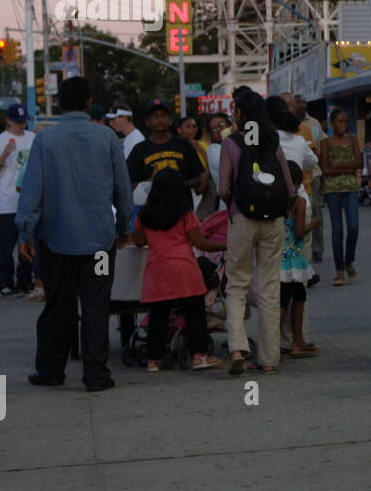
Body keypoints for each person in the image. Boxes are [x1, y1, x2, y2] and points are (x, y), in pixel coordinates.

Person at [17, 77, 133, 392]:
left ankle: (51, 371)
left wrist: (25, 232)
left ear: (61, 103)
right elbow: (122, 188)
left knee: (57, 305)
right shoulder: (107, 138)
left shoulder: (45, 139)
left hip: (56, 241)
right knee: (96, 305)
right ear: (87, 102)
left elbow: (32, 190)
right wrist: (124, 227)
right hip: (98, 243)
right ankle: (96, 375)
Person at [218, 90, 295, 375]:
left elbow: (223, 189)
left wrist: (234, 205)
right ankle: (269, 359)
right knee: (269, 287)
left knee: (236, 284)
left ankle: (237, 348)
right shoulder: (273, 141)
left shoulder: (230, 143)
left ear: (238, 113)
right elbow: (289, 189)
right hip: (273, 221)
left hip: (242, 219)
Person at [131, 168, 226, 371]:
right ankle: (199, 355)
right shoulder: (186, 214)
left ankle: (153, 359)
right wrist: (226, 245)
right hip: (184, 268)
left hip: (158, 269)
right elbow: (200, 243)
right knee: (195, 313)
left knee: (158, 315)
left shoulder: (145, 215)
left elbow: (139, 242)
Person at [268, 96, 320, 291]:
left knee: (276, 268)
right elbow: (313, 161)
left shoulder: (267, 142)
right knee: (300, 270)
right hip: (300, 204)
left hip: (275, 207)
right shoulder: (299, 140)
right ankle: (299, 315)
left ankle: (278, 316)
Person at [0, 102, 36, 297]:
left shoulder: (33, 138)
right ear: (8, 121)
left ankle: (26, 280)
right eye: (17, 122)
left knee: (29, 243)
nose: (21, 125)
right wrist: (5, 154)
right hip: (8, 200)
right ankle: (5, 282)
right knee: (5, 246)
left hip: (30, 201)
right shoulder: (0, 140)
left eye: (23, 121)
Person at [279, 160, 322, 357]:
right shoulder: (299, 202)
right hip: (295, 259)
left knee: (285, 300)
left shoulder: (274, 201)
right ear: (297, 183)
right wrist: (314, 224)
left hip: (279, 258)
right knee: (296, 298)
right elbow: (299, 232)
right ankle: (296, 341)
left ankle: (278, 341)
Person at [126, 100, 207, 200]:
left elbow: (199, 176)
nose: (160, 119)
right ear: (147, 122)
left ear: (170, 120)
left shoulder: (184, 144)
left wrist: (180, 183)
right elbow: (127, 185)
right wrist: (150, 182)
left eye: (164, 115)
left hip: (182, 209)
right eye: (155, 116)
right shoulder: (139, 150)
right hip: (151, 211)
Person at [320, 108, 363, 285]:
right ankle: (339, 270)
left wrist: (337, 165)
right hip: (332, 190)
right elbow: (326, 169)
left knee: (353, 227)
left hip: (351, 187)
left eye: (345, 121)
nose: (343, 125)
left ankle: (348, 261)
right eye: (340, 121)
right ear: (332, 123)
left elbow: (359, 162)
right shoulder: (326, 142)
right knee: (337, 231)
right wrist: (348, 167)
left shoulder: (352, 139)